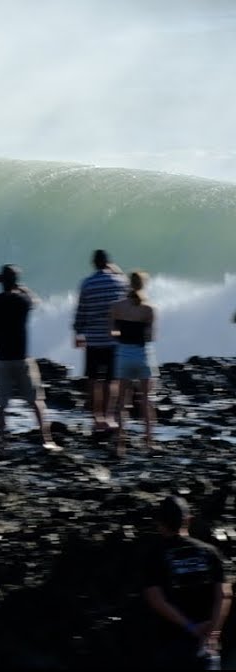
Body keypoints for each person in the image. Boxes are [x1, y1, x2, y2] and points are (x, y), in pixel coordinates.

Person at [0, 265, 60, 451]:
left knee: (1, 404)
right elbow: (36, 301)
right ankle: (47, 440)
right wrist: (22, 288)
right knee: (36, 401)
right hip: (21, 358)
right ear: (15, 282)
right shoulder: (22, 300)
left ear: (1, 281)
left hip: (2, 359)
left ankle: (2, 442)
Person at [143, 496, 231, 670]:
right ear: (188, 520)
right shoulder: (211, 552)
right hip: (206, 644)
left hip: (171, 644)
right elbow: (224, 594)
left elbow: (156, 599)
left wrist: (190, 627)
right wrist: (213, 633)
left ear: (160, 524)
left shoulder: (155, 556)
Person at [73, 249, 129, 433]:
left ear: (93, 264)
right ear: (107, 263)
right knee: (112, 380)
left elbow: (81, 311)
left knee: (93, 379)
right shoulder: (120, 281)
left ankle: (97, 418)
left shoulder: (87, 284)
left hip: (93, 339)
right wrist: (116, 270)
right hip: (114, 339)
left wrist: (78, 333)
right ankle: (109, 416)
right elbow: (128, 299)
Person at [110, 270, 159, 457]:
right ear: (143, 285)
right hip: (143, 355)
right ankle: (149, 442)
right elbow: (150, 337)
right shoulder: (149, 308)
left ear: (128, 284)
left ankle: (120, 444)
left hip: (123, 354)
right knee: (146, 400)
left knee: (122, 401)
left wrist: (123, 334)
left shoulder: (117, 306)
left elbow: (112, 332)